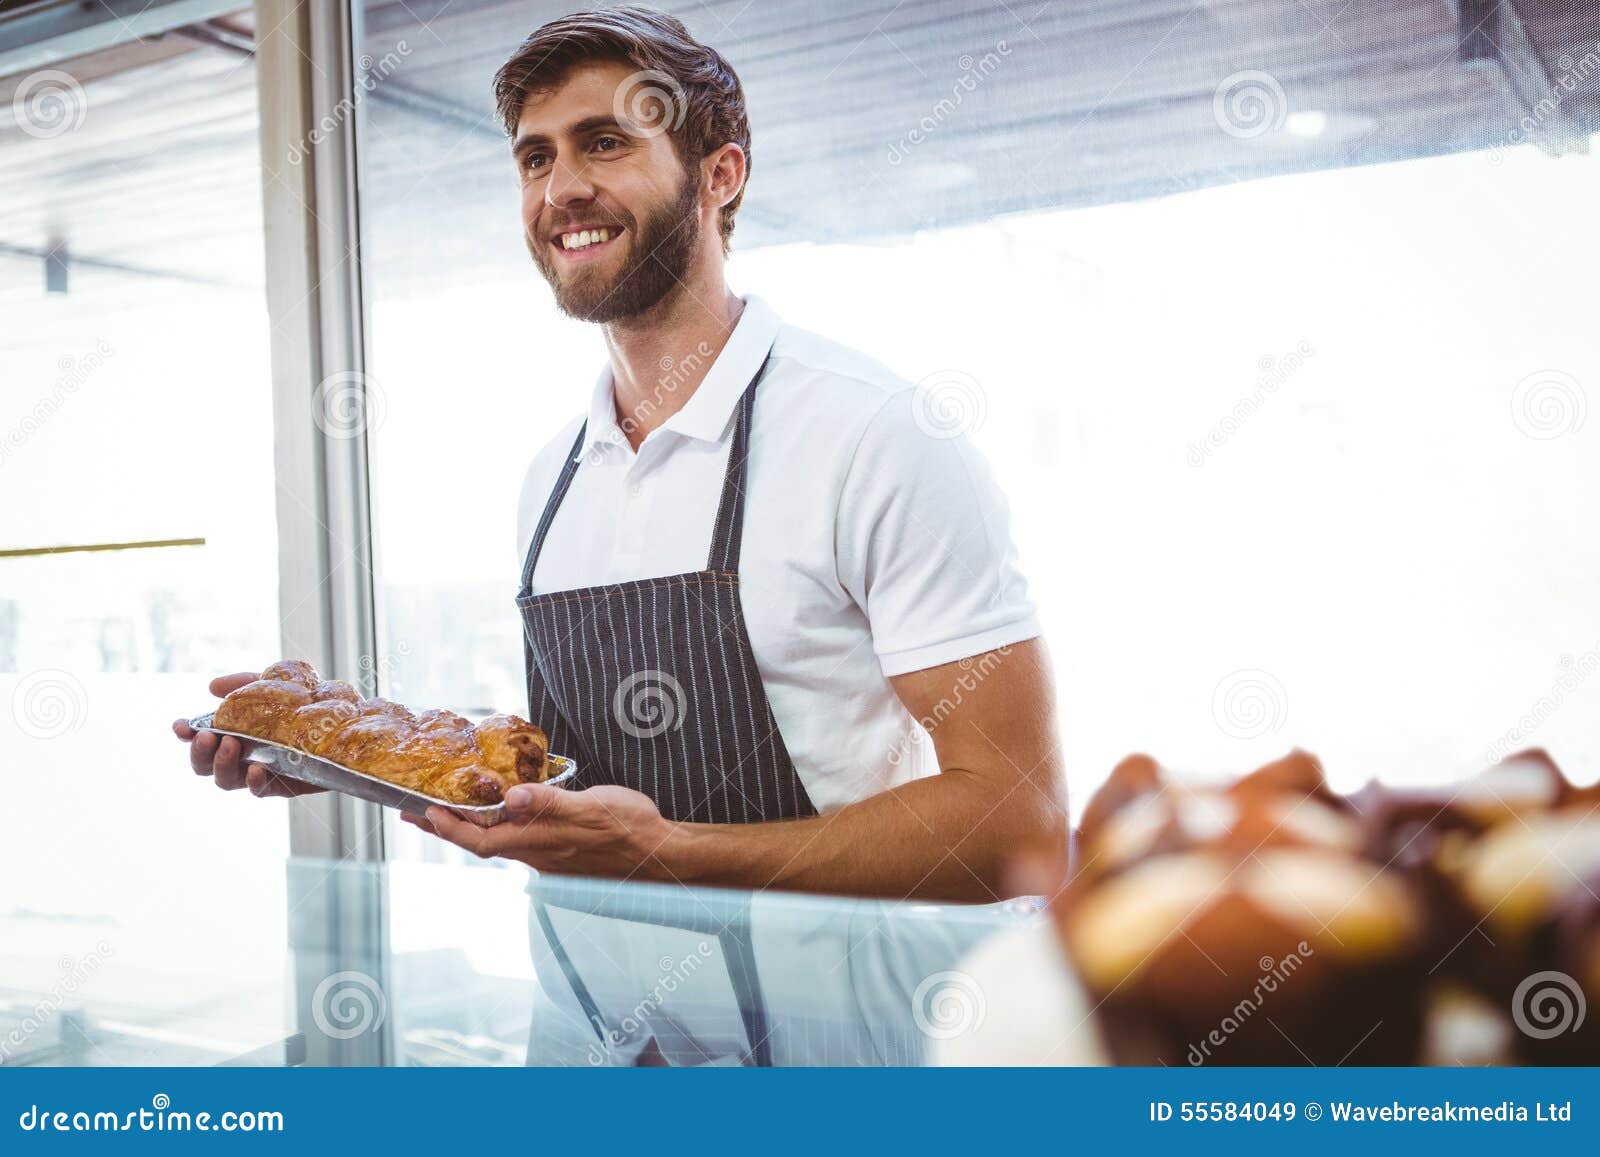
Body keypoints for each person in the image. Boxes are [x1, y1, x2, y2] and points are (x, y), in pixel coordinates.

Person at [174, 5, 1063, 906]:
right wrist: (342, 751)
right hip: (586, 1023)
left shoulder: (877, 437)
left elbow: (1019, 822)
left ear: (720, 175)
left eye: (603, 143)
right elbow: (566, 780)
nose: (560, 189)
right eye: (536, 156)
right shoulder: (552, 478)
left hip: (822, 1025)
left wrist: (668, 851)